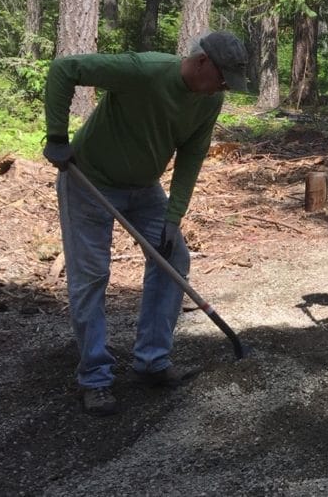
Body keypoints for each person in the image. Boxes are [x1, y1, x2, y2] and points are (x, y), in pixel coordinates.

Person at [43, 30, 249, 416]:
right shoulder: (144, 70)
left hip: (144, 187)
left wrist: (174, 217)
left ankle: (152, 361)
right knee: (91, 277)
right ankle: (96, 378)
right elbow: (63, 69)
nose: (222, 88)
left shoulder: (210, 100)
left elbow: (192, 155)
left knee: (173, 261)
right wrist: (56, 135)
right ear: (202, 62)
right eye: (221, 79)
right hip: (88, 180)